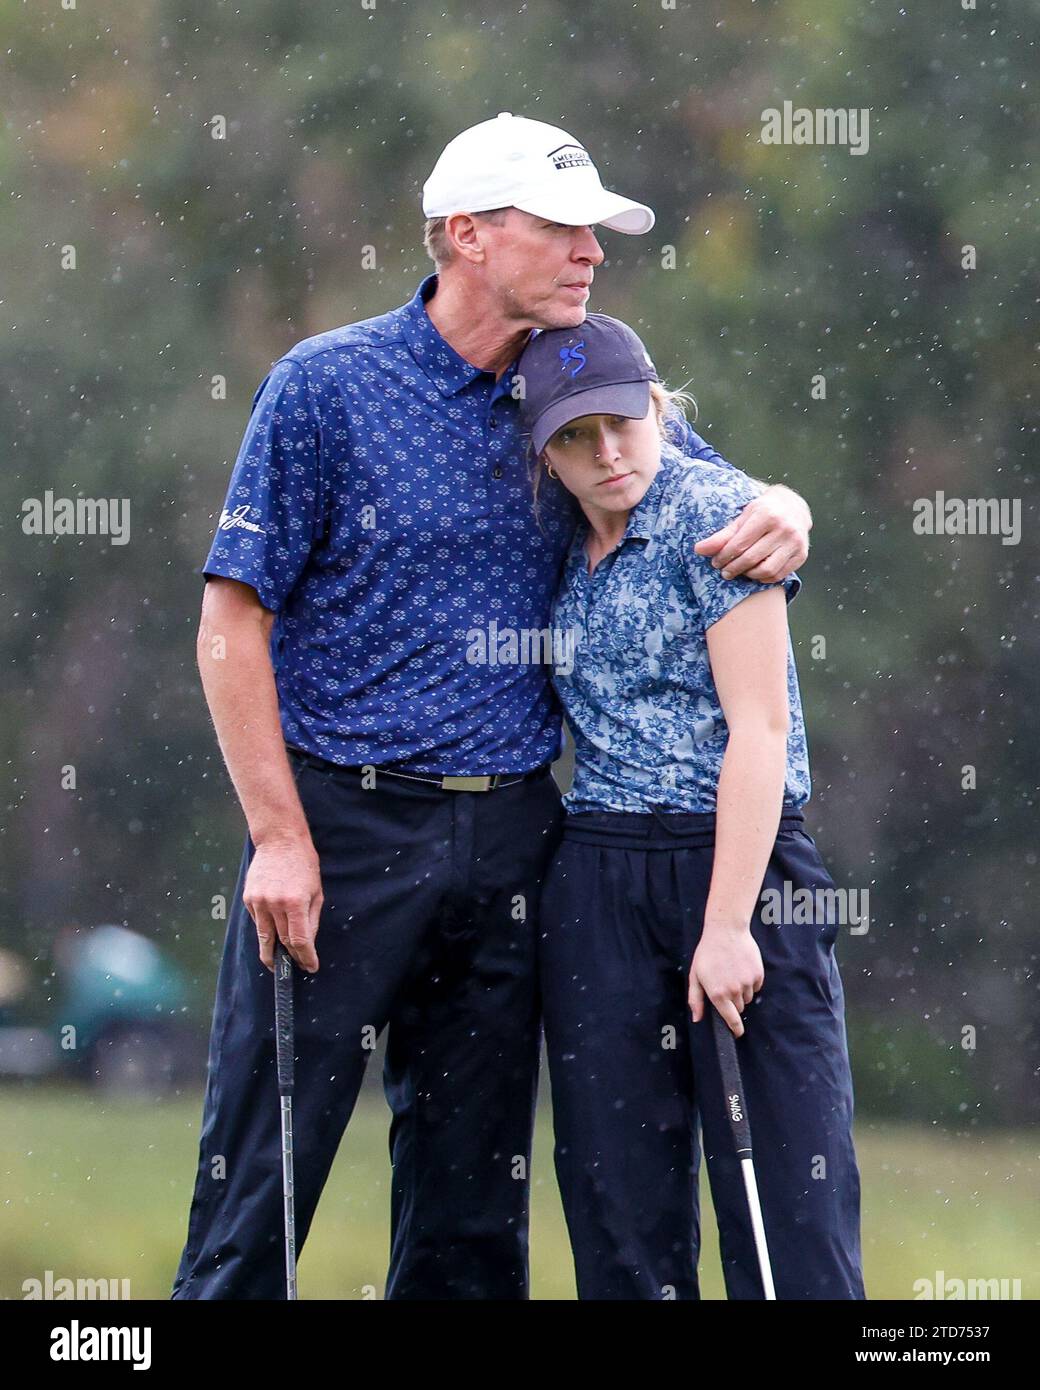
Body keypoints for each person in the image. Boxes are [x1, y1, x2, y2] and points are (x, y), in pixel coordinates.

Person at [172, 113, 813, 1300]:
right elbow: (231, 620)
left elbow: (706, 495)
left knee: (472, 1199)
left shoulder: (578, 382)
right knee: (260, 1181)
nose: (589, 254)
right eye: (562, 229)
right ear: (466, 233)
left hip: (518, 835)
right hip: (340, 831)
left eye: (595, 233)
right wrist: (275, 834)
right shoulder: (326, 385)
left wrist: (791, 504)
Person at [517, 313, 864, 1300]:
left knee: (785, 1201)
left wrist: (723, 925)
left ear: (656, 408)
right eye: (575, 437)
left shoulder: (723, 516)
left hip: (740, 868)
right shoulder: (544, 537)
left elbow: (757, 730)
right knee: (616, 1200)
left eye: (623, 424)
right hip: (597, 872)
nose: (607, 454)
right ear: (544, 448)